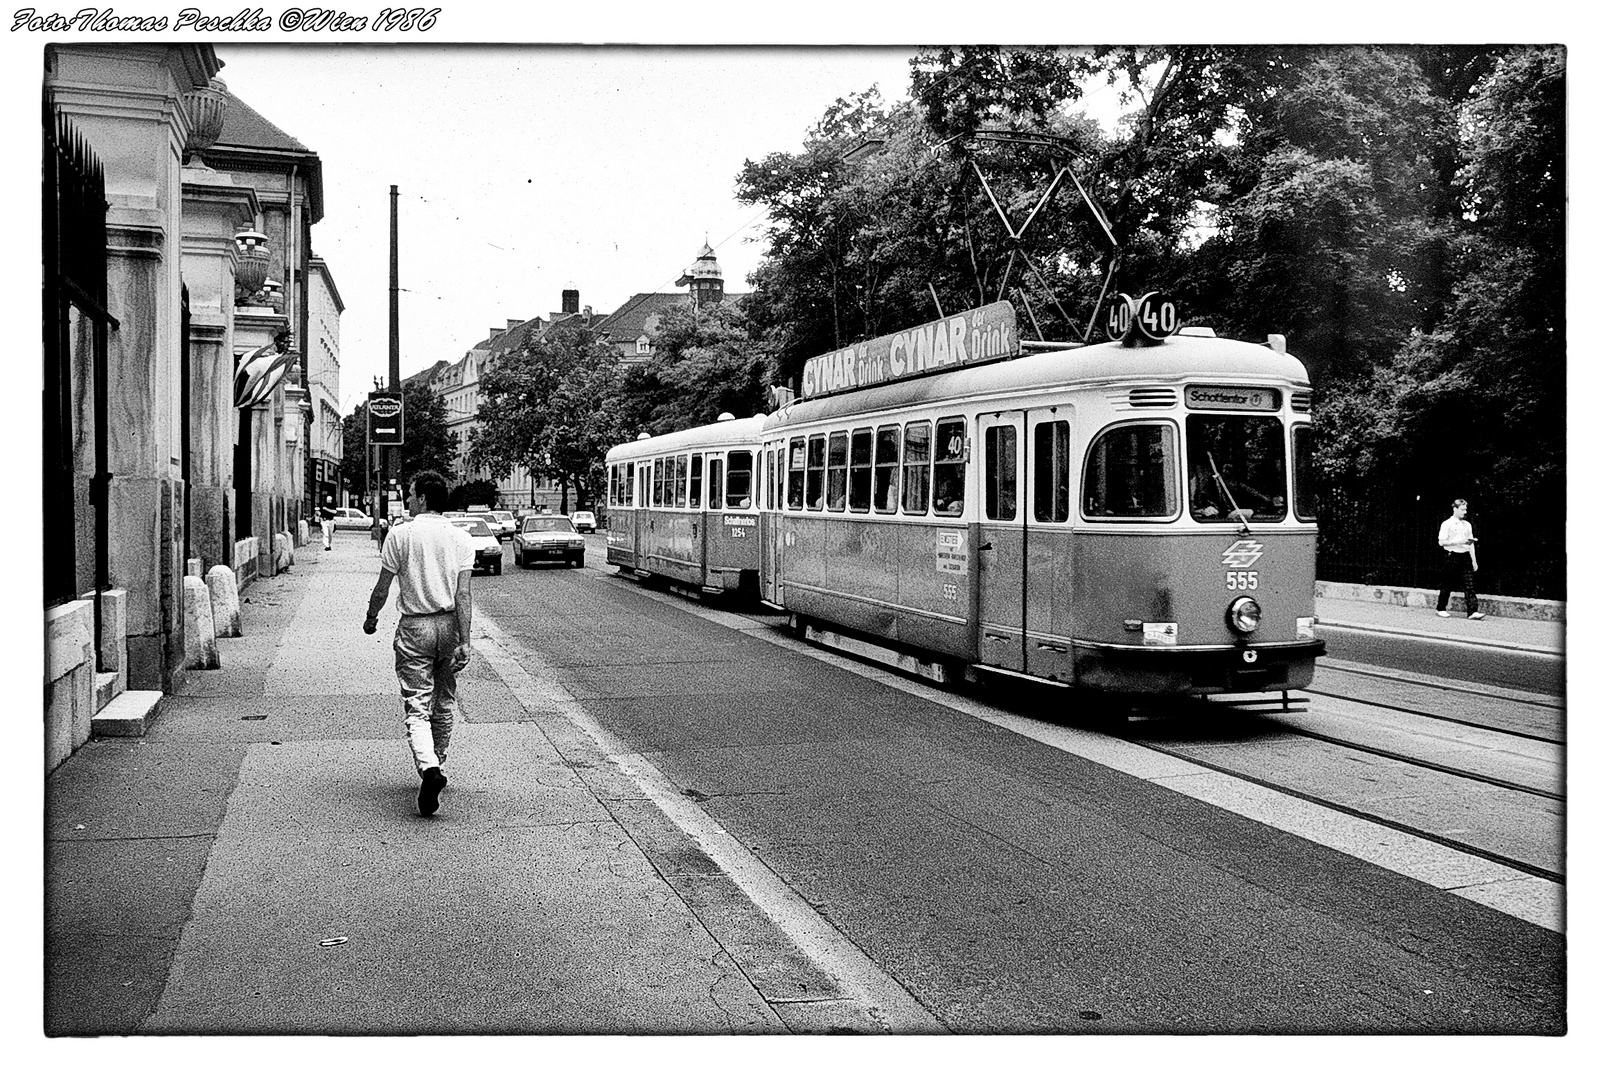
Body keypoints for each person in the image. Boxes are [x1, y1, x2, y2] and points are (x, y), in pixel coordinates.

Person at [362, 470, 478, 816]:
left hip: (415, 627)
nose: (408, 499)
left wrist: (371, 618)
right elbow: (464, 595)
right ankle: (437, 762)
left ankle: (429, 768)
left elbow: (383, 587)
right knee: (444, 702)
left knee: (417, 703)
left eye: (411, 494)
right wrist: (466, 641)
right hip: (449, 626)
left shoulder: (400, 535)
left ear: (423, 498)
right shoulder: (461, 538)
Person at [1435, 497, 1484, 620]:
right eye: (1462, 509)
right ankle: (1441, 608)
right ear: (1455, 509)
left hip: (1465, 555)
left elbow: (1470, 543)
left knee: (1469, 584)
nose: (1464, 512)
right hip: (1452, 555)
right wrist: (1458, 542)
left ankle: (1472, 611)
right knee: (1447, 583)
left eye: (1465, 509)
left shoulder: (1467, 525)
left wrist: (1474, 559)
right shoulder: (1447, 524)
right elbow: (1441, 542)